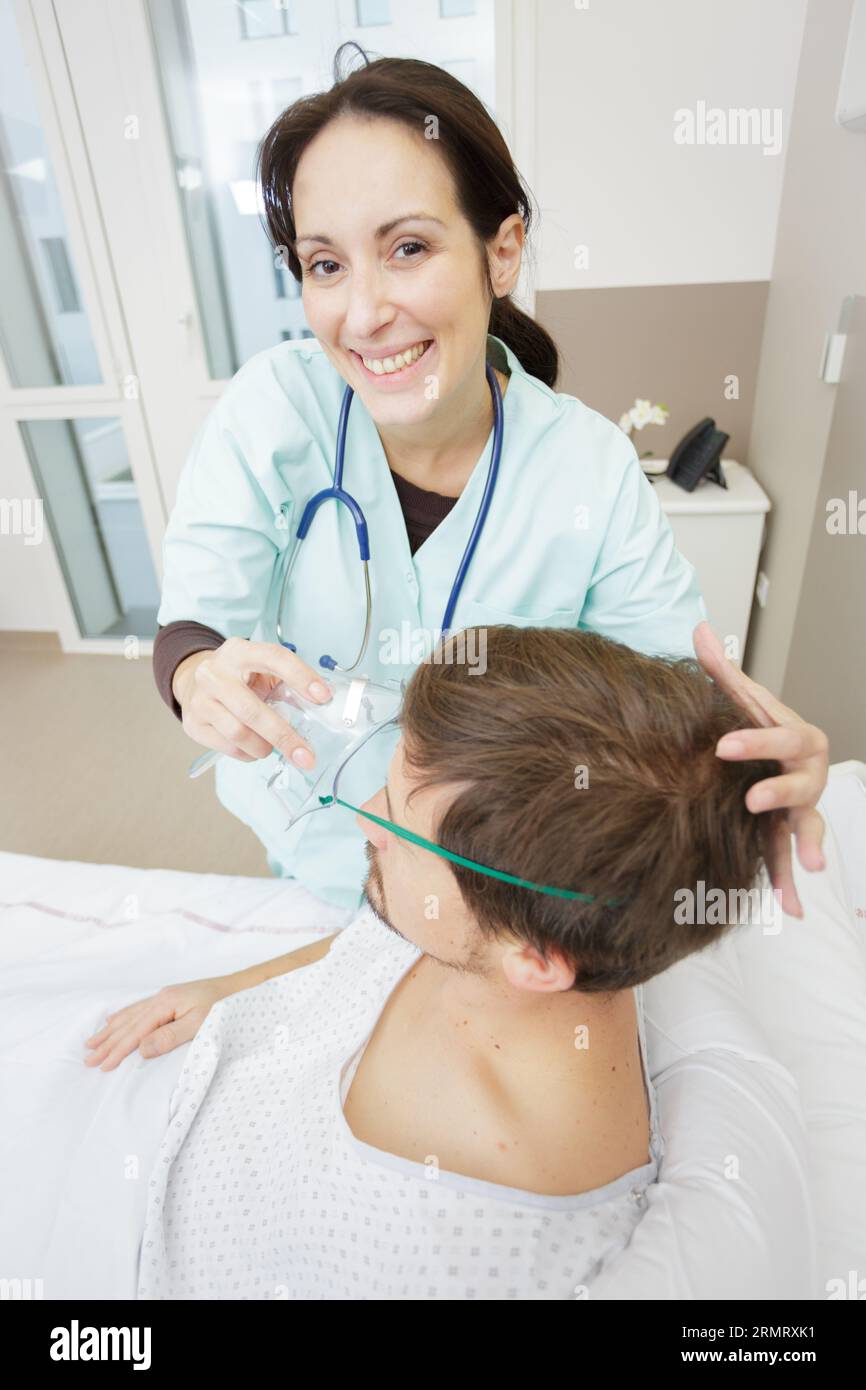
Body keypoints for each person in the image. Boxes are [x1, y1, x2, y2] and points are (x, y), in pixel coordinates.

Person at [152, 44, 827, 924]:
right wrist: (198, 674)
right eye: (326, 264)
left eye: (407, 248)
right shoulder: (277, 407)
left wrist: (750, 761)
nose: (362, 314)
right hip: (305, 834)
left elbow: (673, 697)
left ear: (500, 252)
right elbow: (192, 628)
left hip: (489, 875)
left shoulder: (586, 468)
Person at [134, 625, 785, 1299]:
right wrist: (234, 988)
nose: (366, 819)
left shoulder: (454, 1246)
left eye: (400, 830)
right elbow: (377, 951)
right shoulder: (511, 932)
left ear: (536, 963)